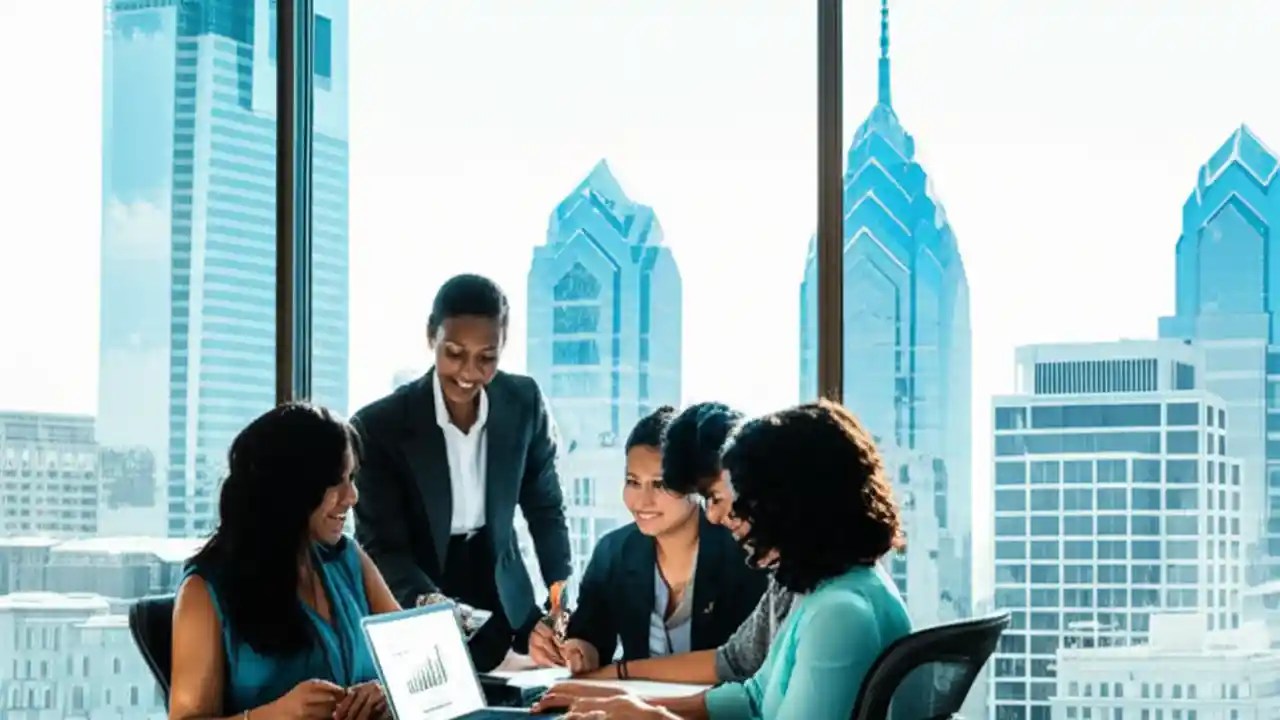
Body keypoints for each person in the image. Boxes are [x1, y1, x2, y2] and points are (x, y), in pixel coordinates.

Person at [540, 399, 913, 720]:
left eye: (743, 497)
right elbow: (752, 697)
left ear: (793, 501)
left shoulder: (839, 614)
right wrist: (631, 705)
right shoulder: (818, 588)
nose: (720, 516)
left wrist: (655, 718)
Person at [352, 273, 571, 672]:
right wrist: (430, 605)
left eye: (487, 357)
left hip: (504, 591)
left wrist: (559, 598)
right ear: (430, 336)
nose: (469, 371)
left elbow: (545, 508)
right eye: (454, 353)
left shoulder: (523, 402)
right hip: (419, 587)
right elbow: (382, 546)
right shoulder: (379, 427)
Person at [169, 403, 401, 720]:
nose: (352, 496)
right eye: (337, 482)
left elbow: (418, 664)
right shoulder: (203, 592)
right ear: (292, 488)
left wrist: (387, 692)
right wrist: (275, 715)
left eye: (352, 478)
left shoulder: (349, 559)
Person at [564, 402, 801, 686]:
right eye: (633, 482)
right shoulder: (613, 551)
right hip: (633, 703)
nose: (642, 501)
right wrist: (578, 651)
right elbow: (588, 634)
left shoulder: (745, 551)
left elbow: (743, 661)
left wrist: (621, 672)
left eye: (660, 484)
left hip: (721, 703)